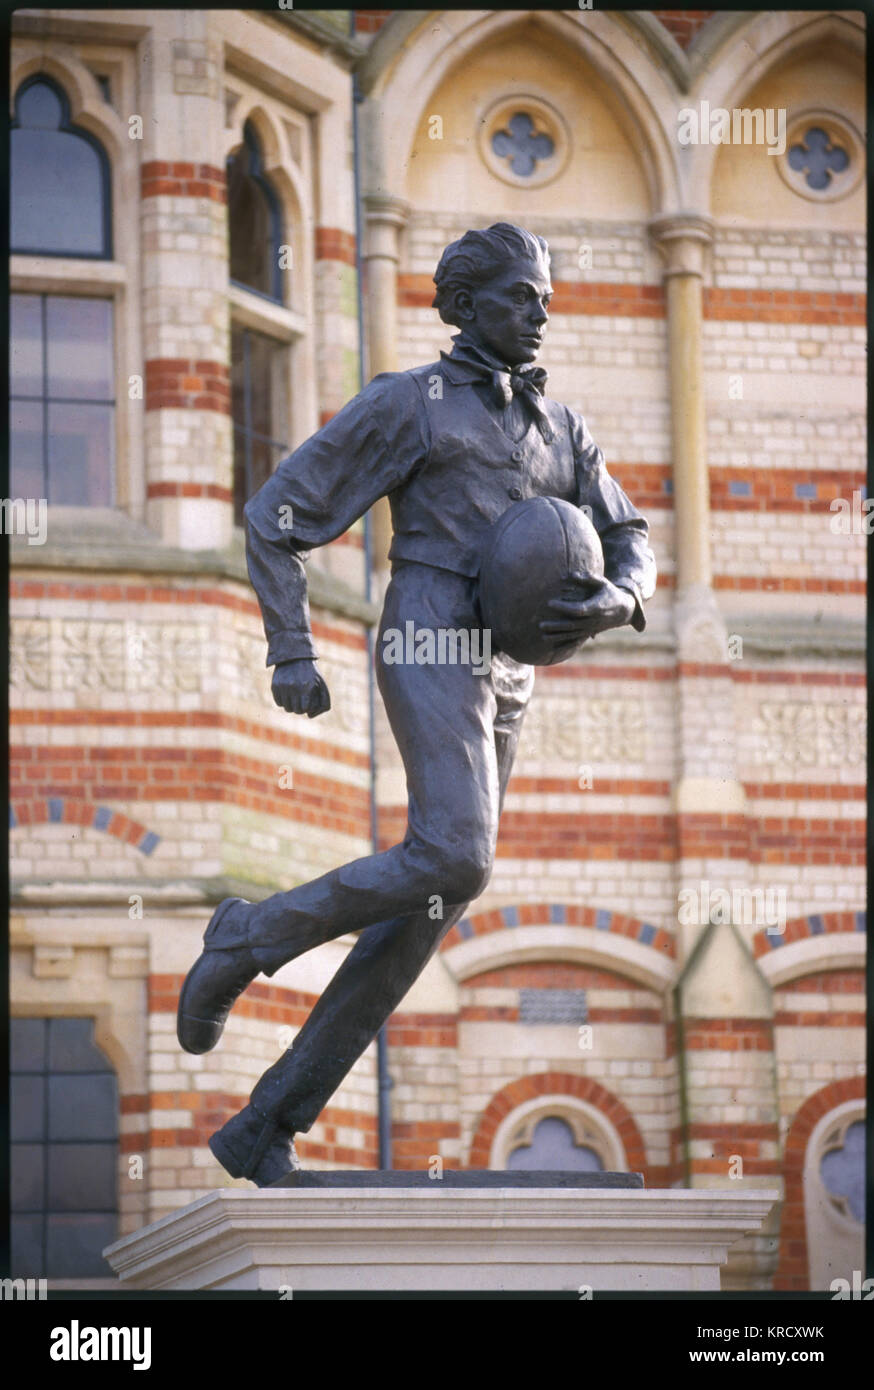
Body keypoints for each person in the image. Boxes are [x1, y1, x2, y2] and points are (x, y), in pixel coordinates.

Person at [177, 223, 657, 1184]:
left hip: (512, 661)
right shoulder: (413, 405)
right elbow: (275, 516)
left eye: (546, 296)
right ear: (468, 305)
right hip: (431, 628)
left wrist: (625, 592)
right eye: (522, 295)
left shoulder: (561, 428)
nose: (540, 310)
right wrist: (291, 648)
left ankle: (267, 1121)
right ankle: (245, 936)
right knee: (456, 855)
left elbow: (628, 528)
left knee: (433, 903)